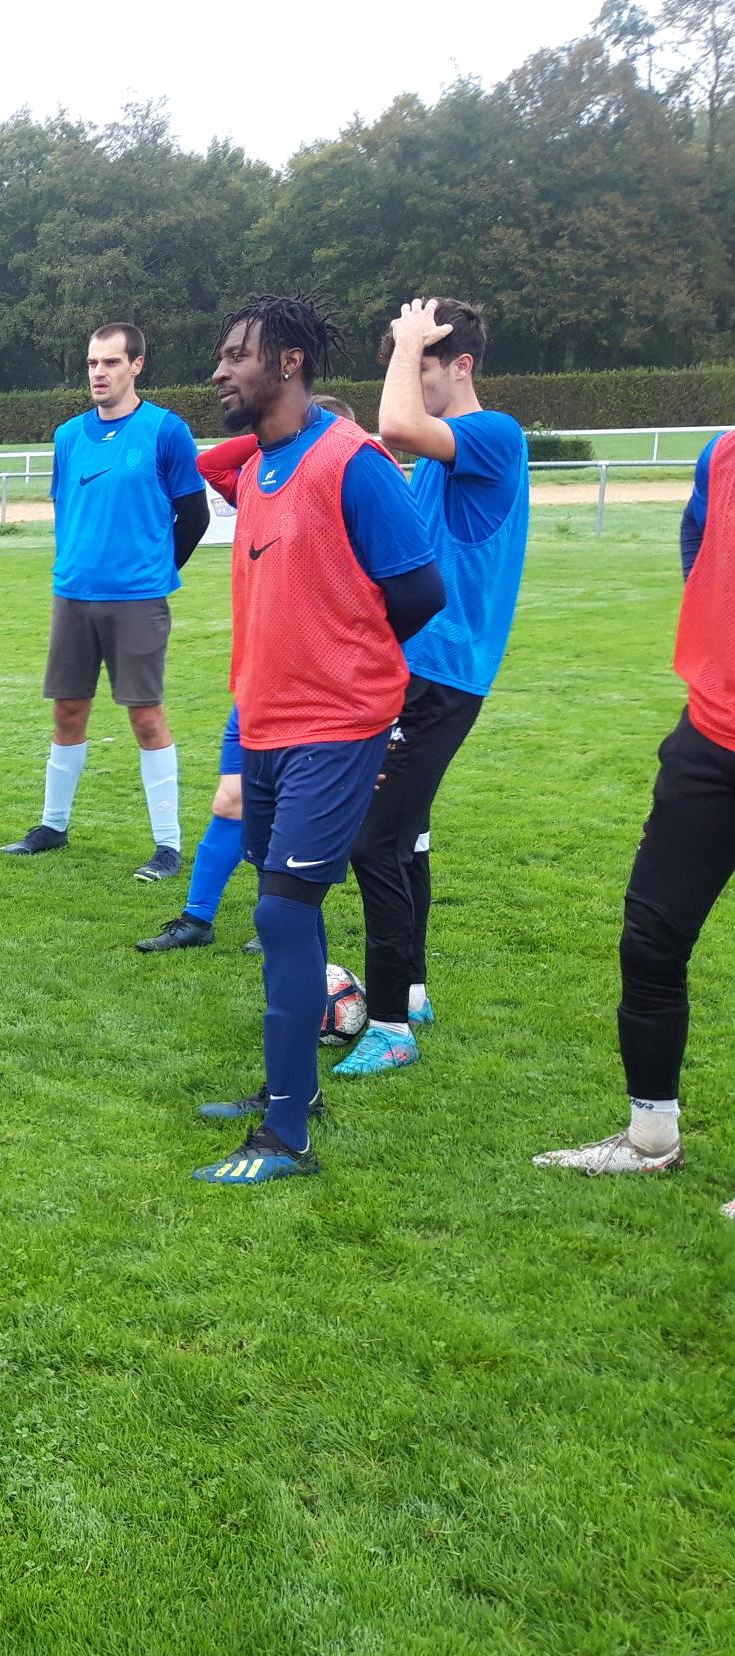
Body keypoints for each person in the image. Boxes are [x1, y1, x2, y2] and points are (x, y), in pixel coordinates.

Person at [191, 295, 443, 1185]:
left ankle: (287, 1135)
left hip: (334, 728)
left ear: (289, 362)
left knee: (280, 914)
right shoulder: (265, 462)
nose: (220, 370)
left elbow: (420, 592)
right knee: (284, 906)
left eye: (237, 354)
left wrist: (349, 667)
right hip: (264, 724)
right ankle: (290, 1087)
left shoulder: (354, 462)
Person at [534, 424, 735, 1215]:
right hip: (711, 737)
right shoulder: (721, 454)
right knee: (651, 939)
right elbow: (698, 537)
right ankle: (651, 1139)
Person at [332, 298, 529, 1079]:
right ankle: (409, 993)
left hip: (441, 677)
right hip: (412, 671)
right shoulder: (444, 465)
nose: (408, 381)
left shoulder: (495, 433)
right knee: (407, 835)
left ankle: (388, 1027)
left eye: (420, 367)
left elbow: (395, 427)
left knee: (372, 841)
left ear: (462, 366)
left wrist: (411, 338)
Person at [138, 394, 363, 957]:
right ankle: (198, 919)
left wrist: (327, 435)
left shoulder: (351, 496)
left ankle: (280, 919)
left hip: (317, 691)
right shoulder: (267, 484)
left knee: (291, 815)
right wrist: (278, 430)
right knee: (231, 801)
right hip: (257, 686)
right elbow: (211, 464)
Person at [2, 324, 209, 880]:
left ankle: (167, 845)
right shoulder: (68, 436)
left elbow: (194, 516)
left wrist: (154, 572)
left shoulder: (166, 430)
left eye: (112, 362)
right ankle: (53, 826)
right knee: (67, 711)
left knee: (145, 716)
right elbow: (68, 510)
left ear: (136, 365)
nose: (99, 372)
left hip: (138, 600)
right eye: (93, 362)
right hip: (72, 596)